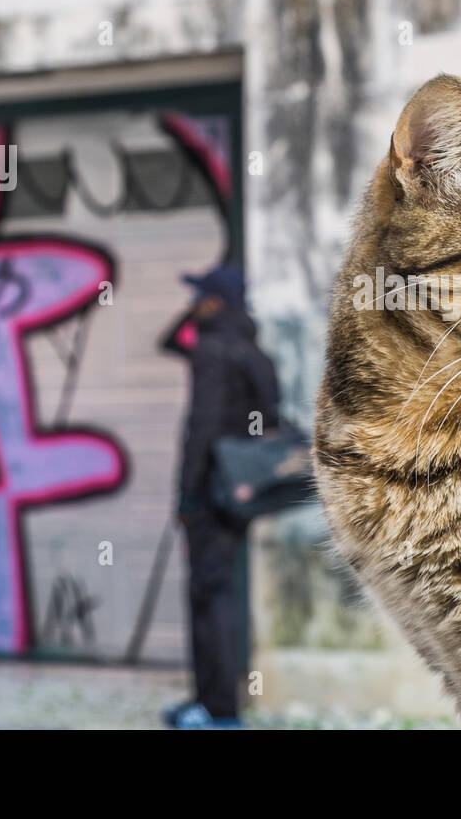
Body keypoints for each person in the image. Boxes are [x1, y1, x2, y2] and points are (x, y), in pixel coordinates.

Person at [160, 264, 280, 729]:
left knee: (207, 597)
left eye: (200, 297)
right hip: (239, 492)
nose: (194, 305)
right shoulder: (251, 349)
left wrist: (187, 495)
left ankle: (219, 711)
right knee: (219, 593)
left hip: (210, 492)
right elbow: (268, 417)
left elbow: (202, 427)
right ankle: (212, 705)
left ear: (214, 302)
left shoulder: (210, 349)